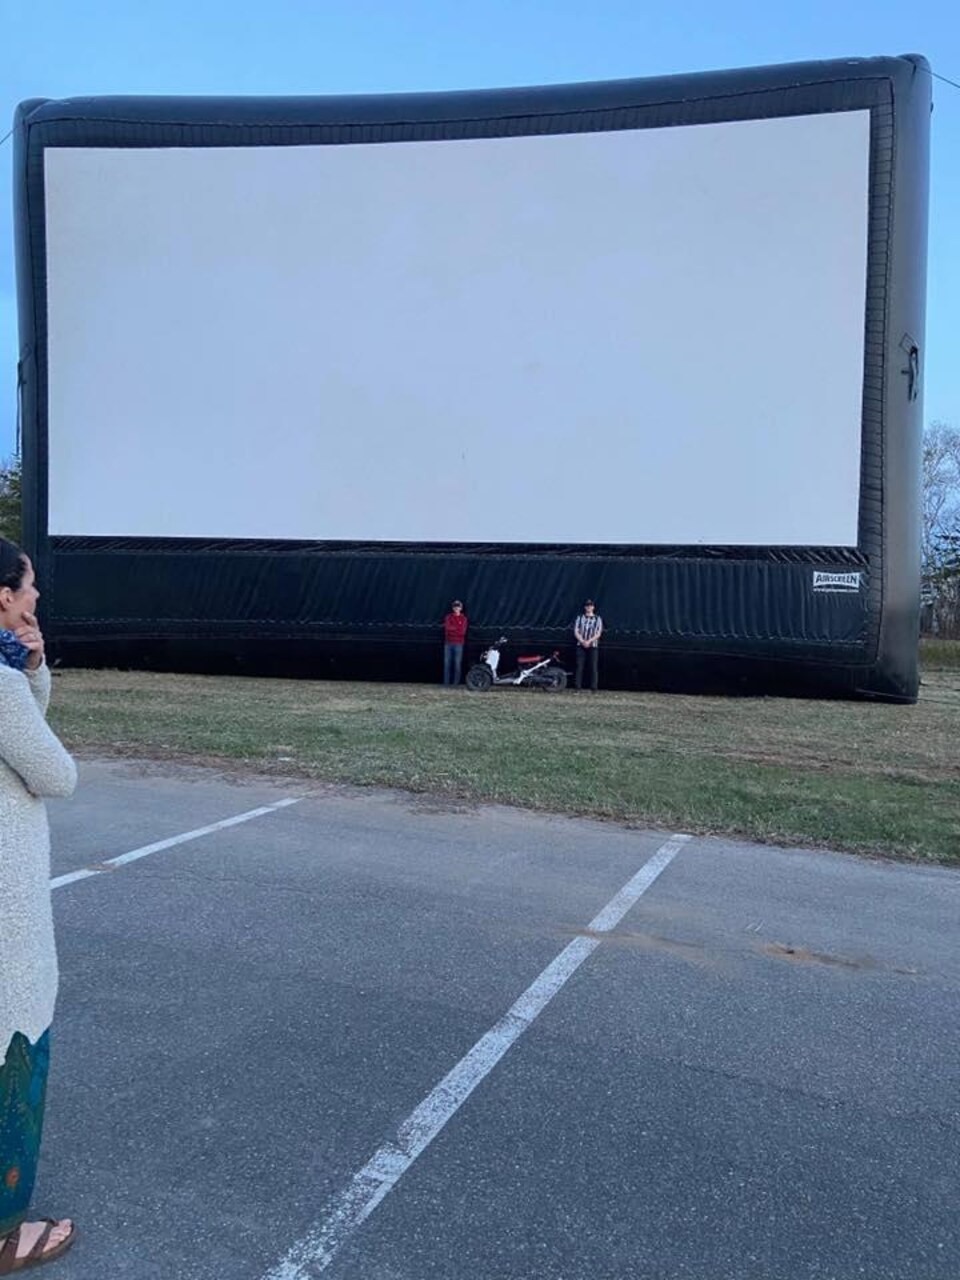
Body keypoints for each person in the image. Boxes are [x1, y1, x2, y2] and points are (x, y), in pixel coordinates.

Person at [0, 539, 78, 1272]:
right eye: (28, 588)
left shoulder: (4, 678)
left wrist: (33, 668)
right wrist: (18, 678)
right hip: (6, 908)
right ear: (2, 597)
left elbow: (26, 729)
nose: (35, 600)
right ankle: (5, 1233)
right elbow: (54, 771)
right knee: (15, 1057)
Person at [573, 598, 603, 691]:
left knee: (593, 666)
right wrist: (582, 641)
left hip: (593, 645)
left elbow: (598, 633)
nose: (589, 607)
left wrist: (589, 641)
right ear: (585, 607)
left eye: (590, 606)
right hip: (580, 645)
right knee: (579, 666)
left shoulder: (598, 619)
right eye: (587, 606)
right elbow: (576, 631)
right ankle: (577, 687)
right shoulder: (579, 618)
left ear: (593, 607)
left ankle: (594, 687)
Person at [442, 600, 468, 686]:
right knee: (447, 663)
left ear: (461, 608)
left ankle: (455, 683)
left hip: (459, 644)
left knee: (457, 664)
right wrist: (456, 629)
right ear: (453, 608)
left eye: (458, 607)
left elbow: (462, 632)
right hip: (448, 643)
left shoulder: (463, 619)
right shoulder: (448, 617)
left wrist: (454, 630)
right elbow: (447, 629)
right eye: (455, 607)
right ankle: (446, 683)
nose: (456, 608)